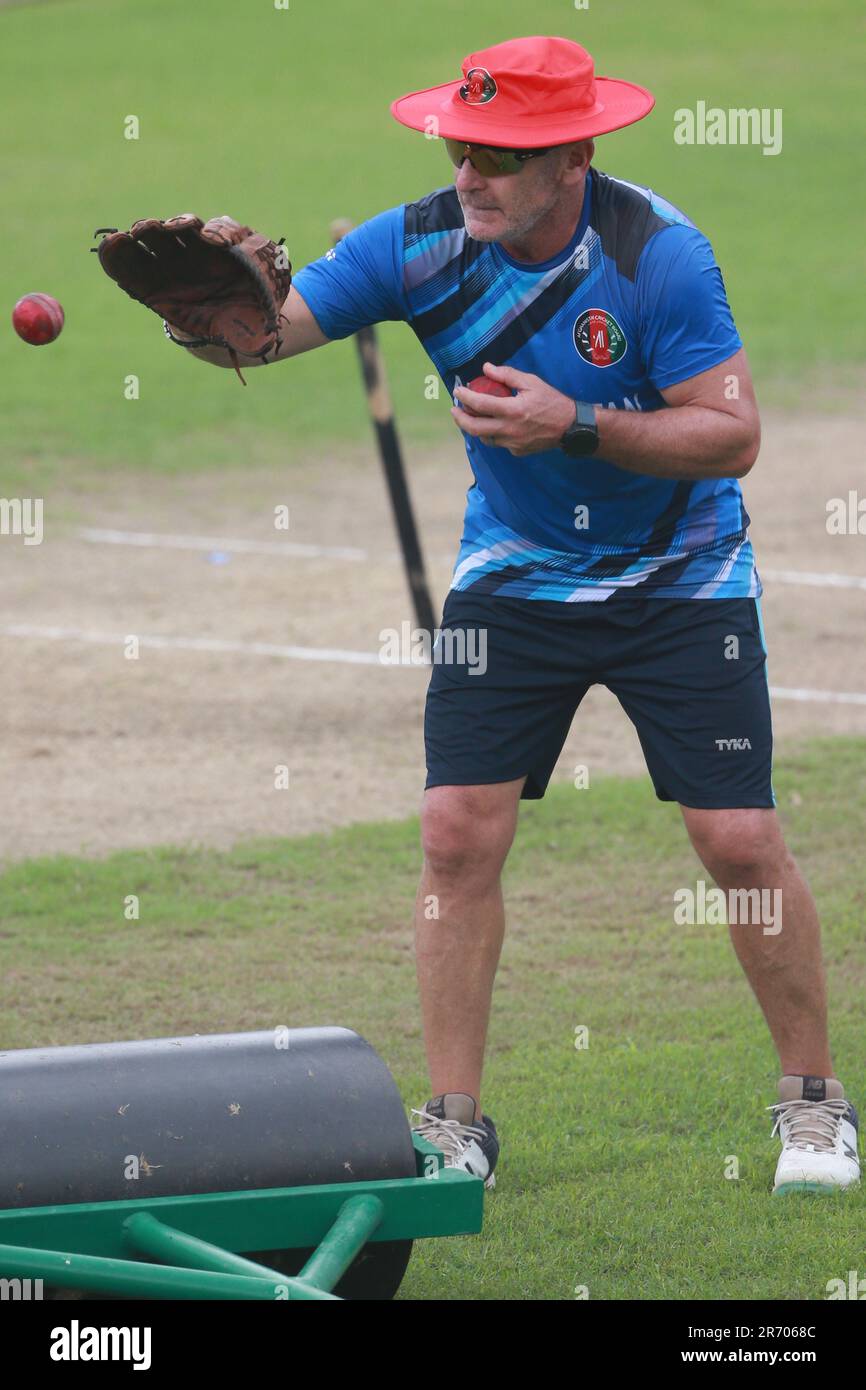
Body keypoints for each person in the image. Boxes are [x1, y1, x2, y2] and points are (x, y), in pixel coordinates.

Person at [170, 36, 859, 1197]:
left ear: (573, 156)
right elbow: (274, 332)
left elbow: (730, 435)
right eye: (460, 146)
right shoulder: (416, 240)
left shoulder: (659, 257)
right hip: (514, 576)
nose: (471, 172)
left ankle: (811, 1105)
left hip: (678, 577)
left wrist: (574, 425)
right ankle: (452, 1128)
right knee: (455, 831)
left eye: (501, 154)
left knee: (734, 840)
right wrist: (208, 317)